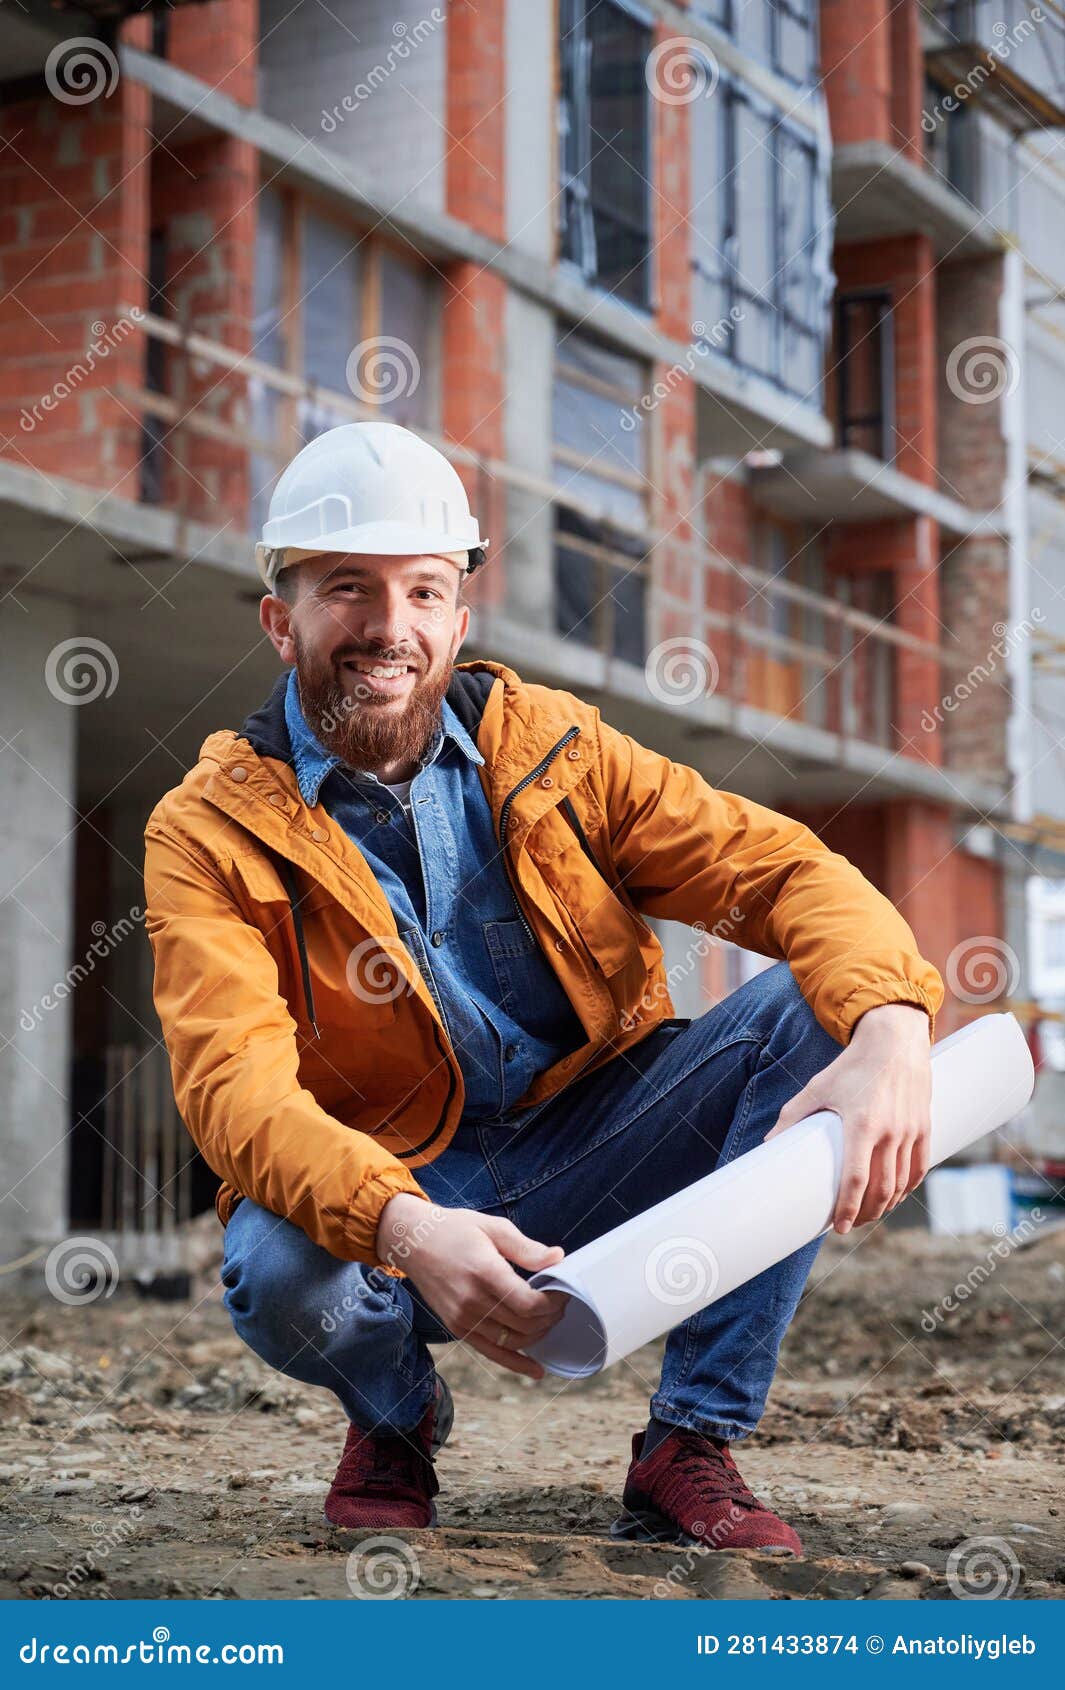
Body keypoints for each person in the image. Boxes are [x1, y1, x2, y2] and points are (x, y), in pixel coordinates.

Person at [144, 421, 941, 1554]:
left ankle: (689, 1441)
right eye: (346, 589)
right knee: (274, 1265)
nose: (389, 627)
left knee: (822, 1011)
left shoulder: (558, 749)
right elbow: (235, 1094)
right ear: (282, 619)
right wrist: (408, 1227)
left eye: (423, 590)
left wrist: (895, 1021)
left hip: (604, 1137)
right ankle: (396, 1413)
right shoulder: (208, 829)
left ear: (459, 618)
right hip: (399, 1184)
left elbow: (780, 869)